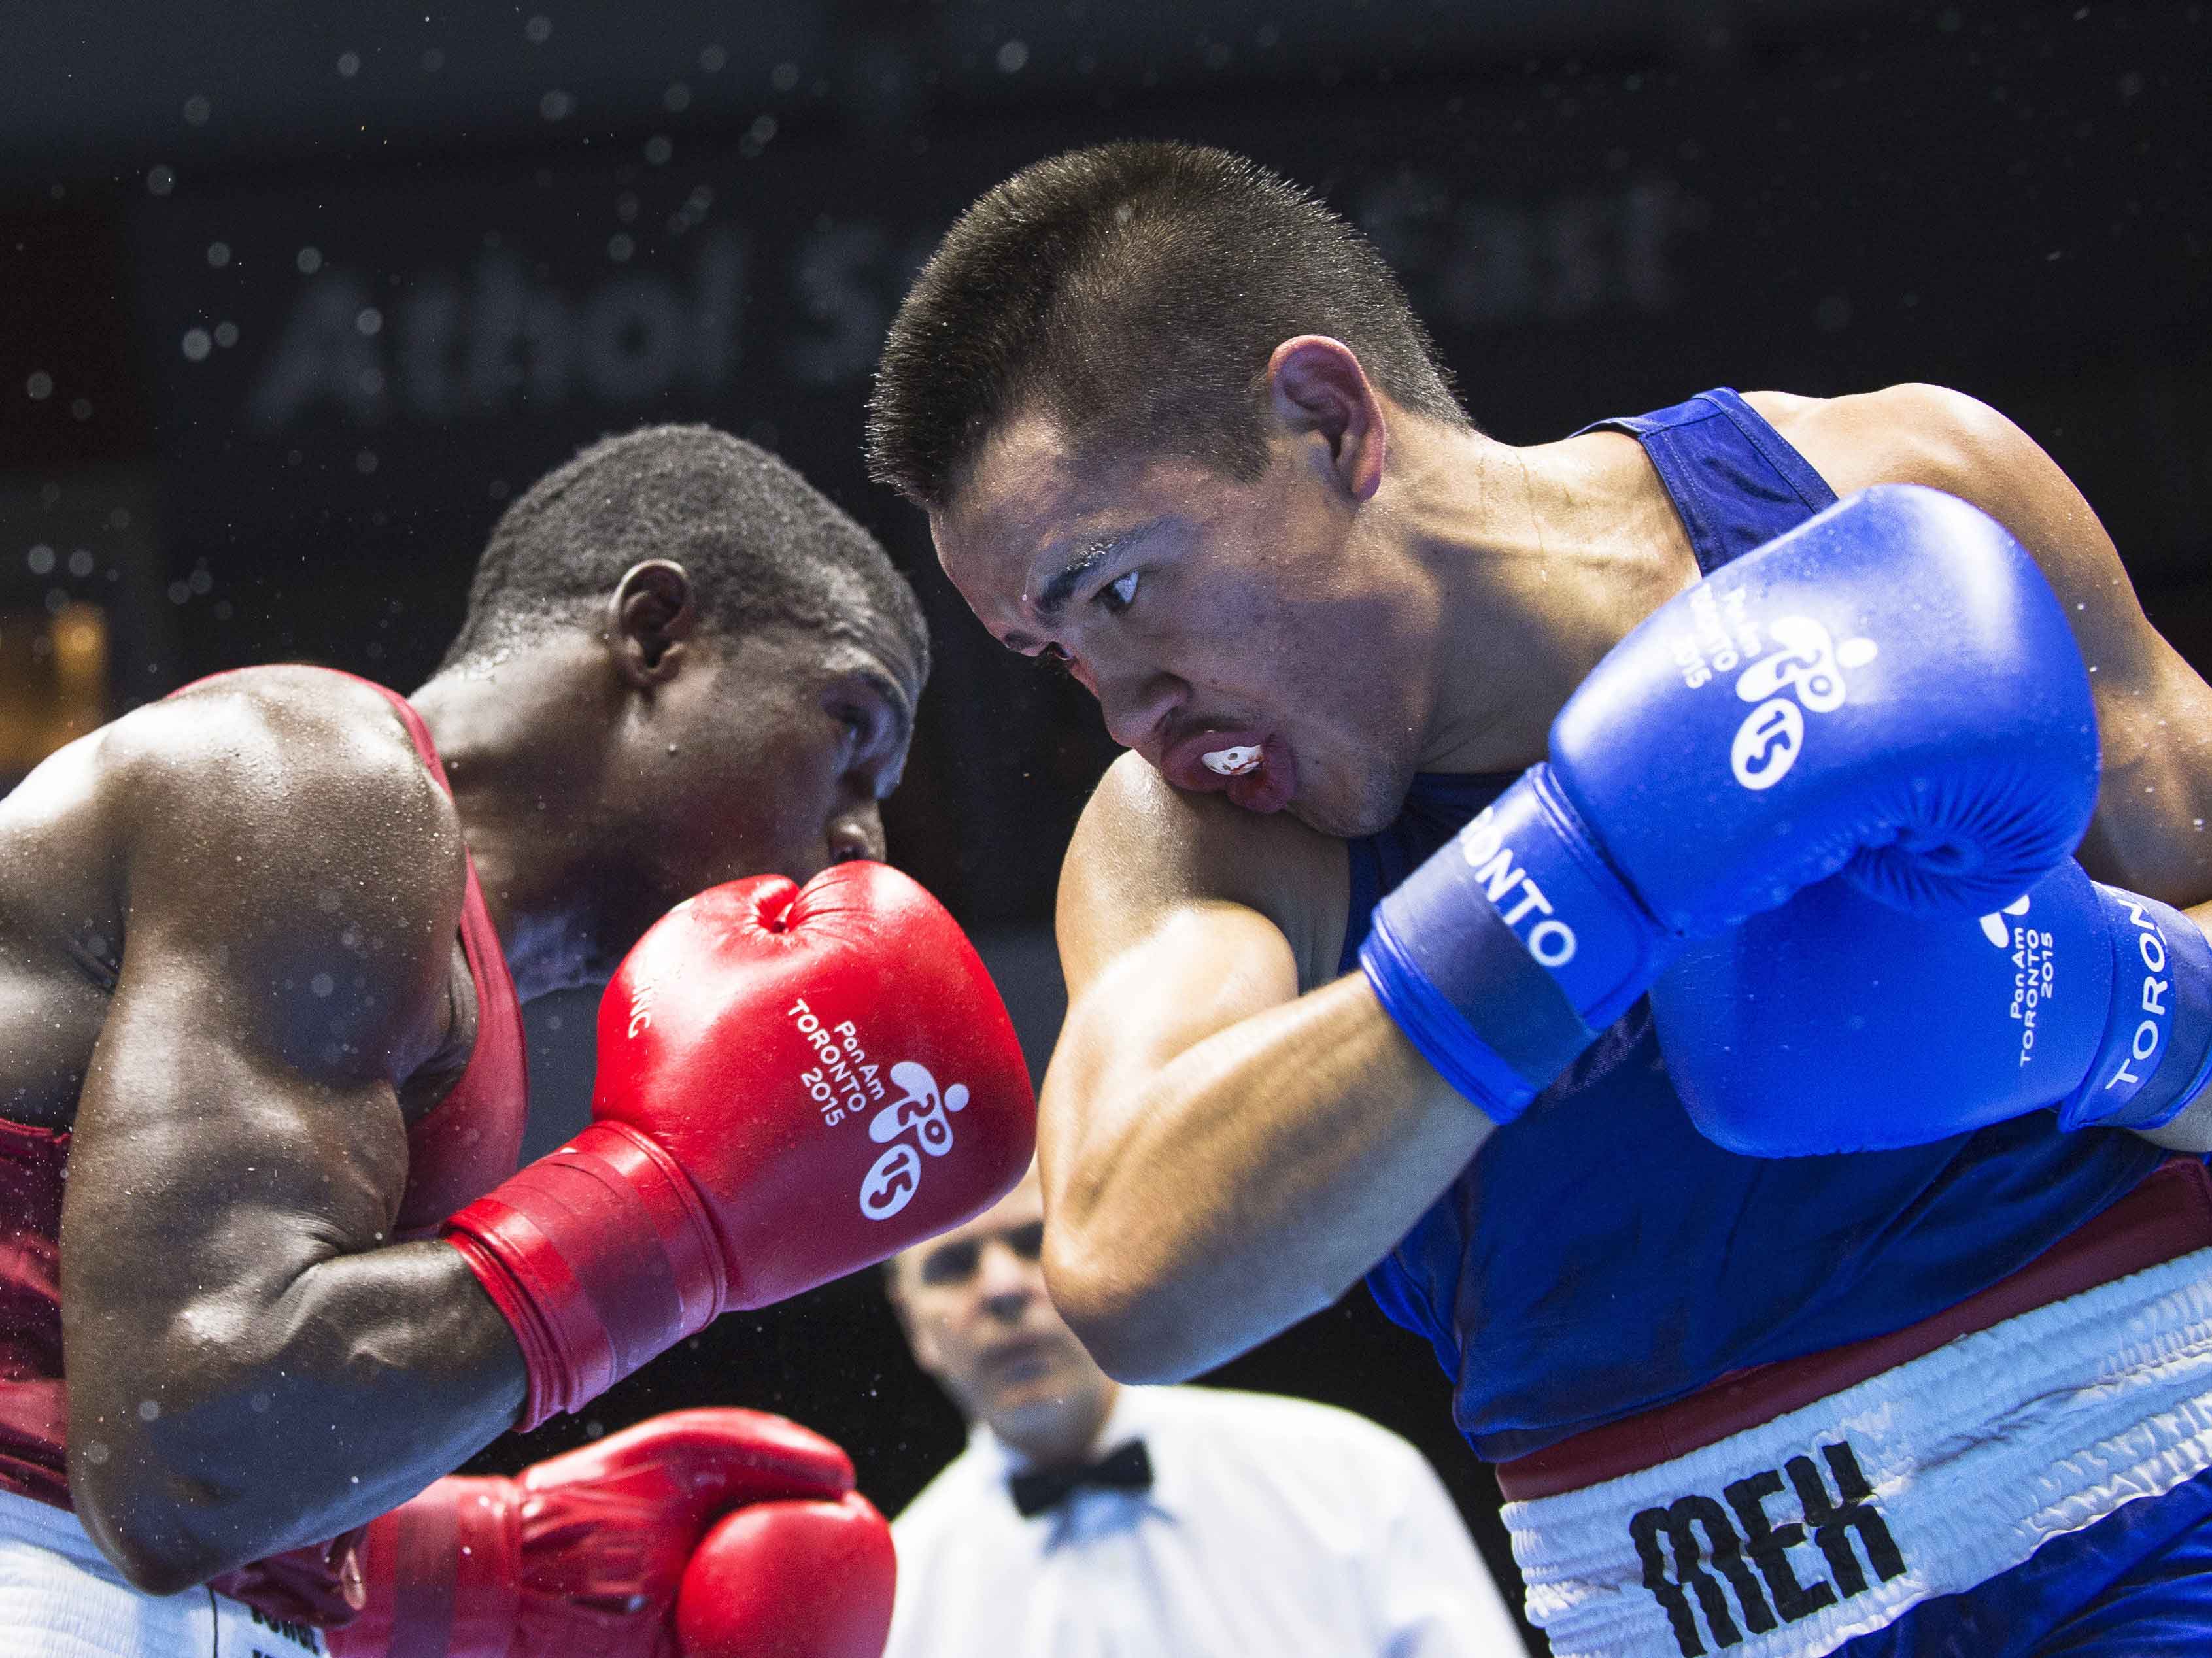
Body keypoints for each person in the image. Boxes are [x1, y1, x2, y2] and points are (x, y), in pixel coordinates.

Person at [863, 141, 2212, 1655]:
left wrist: (2113, 1004)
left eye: (1119, 591)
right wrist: (1570, 884)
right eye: (1058, 656)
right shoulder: (1199, 838)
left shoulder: (1877, 499)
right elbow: (1129, 1267)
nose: (1126, 710)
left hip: (2155, 1523)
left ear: (1327, 422)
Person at [0, 424, 1035, 1657]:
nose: (865, 838)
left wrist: (495, 1566)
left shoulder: (429, 972)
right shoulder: (316, 778)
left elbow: (126, 1430)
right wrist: (663, 1217)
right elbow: (183, 1465)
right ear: (655, 633)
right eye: (850, 730)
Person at [880, 1163, 1527, 1655]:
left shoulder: (1353, 1479)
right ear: (913, 1326)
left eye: (1032, 1242)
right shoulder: (892, 1601)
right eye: (951, 1266)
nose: (1001, 1288)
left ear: (1094, 1262)